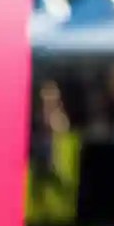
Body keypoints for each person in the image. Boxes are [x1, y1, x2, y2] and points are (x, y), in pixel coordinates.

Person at [29, 80, 70, 217]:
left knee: (57, 182)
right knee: (38, 185)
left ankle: (62, 207)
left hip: (53, 155)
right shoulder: (38, 114)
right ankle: (40, 210)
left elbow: (62, 129)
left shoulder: (58, 114)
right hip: (39, 154)